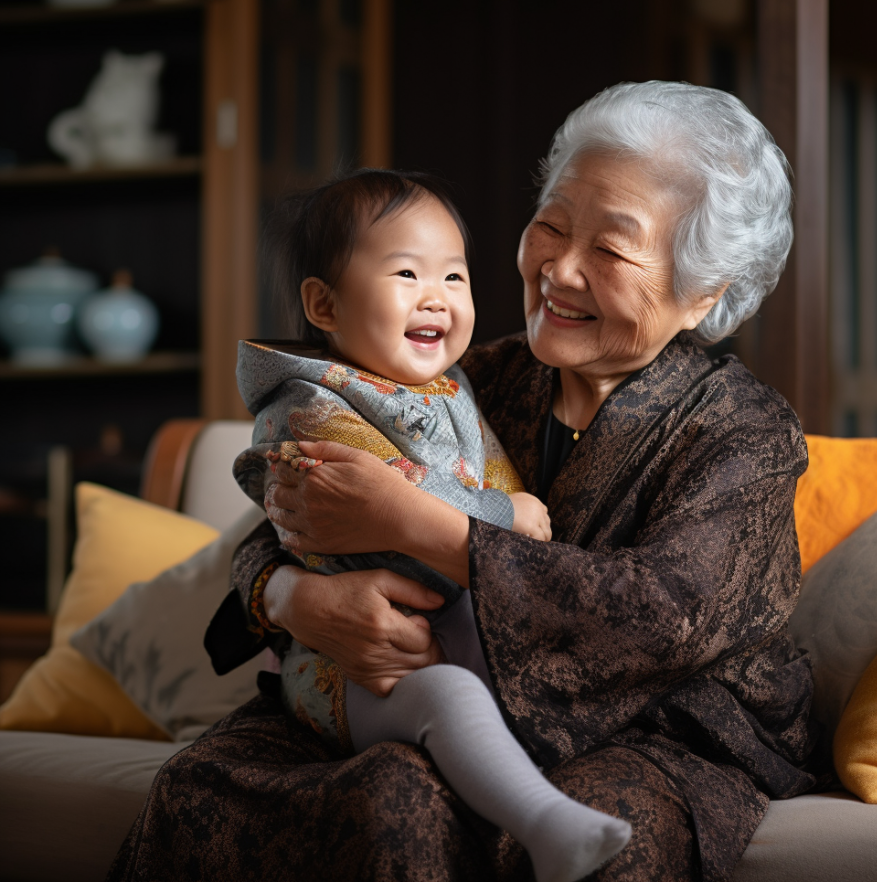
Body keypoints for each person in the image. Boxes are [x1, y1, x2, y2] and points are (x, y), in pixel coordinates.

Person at [109, 81, 818, 882]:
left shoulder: (742, 430)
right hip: (424, 683)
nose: (560, 268)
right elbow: (293, 504)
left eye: (611, 250)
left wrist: (418, 527)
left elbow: (666, 616)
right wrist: (297, 601)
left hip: (653, 726)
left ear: (703, 295)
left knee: (543, 830)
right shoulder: (465, 378)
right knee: (232, 790)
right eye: (551, 224)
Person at [226, 169, 632, 882]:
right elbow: (383, 492)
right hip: (346, 667)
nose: (436, 297)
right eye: (407, 272)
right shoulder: (307, 404)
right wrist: (507, 516)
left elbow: (486, 473)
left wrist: (512, 521)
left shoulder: (448, 386)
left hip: (451, 616)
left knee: (513, 662)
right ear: (324, 303)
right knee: (449, 696)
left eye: (454, 276)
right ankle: (548, 828)